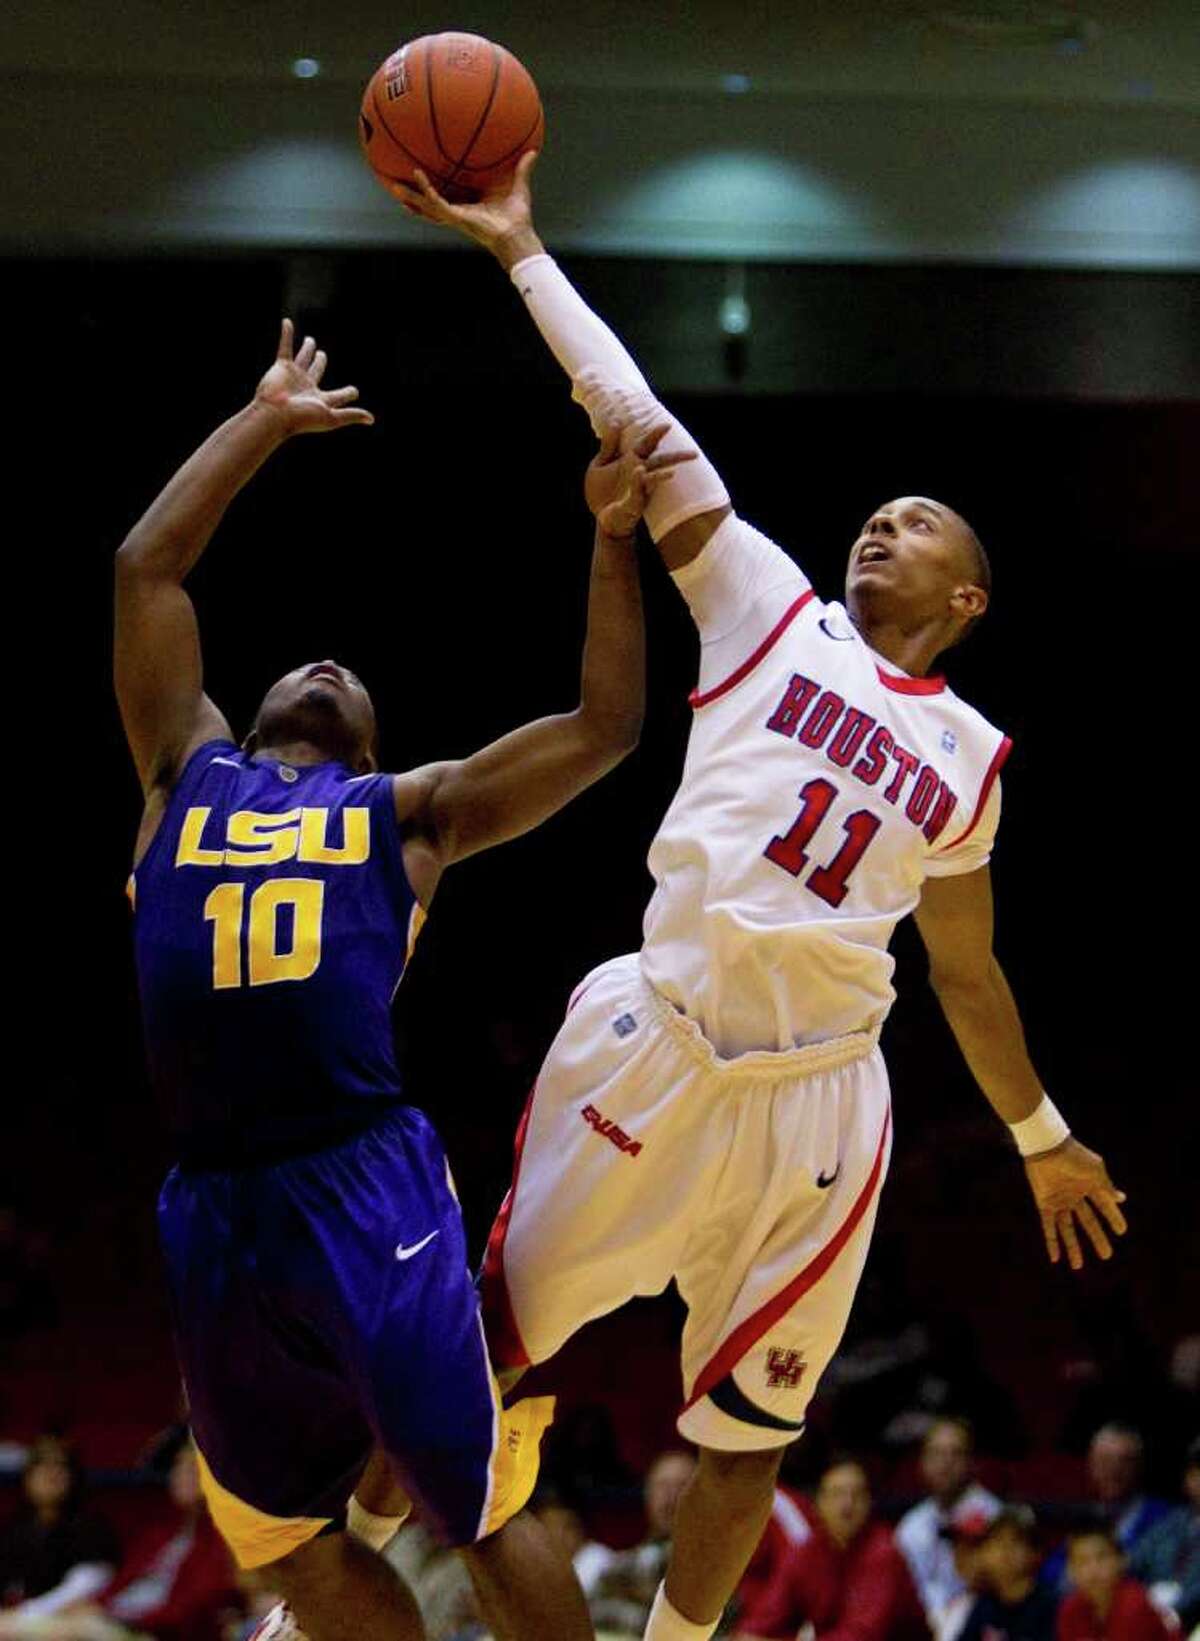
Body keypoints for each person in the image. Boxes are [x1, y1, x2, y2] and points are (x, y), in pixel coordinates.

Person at [391, 155, 1129, 1641]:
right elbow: (638, 417)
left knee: (752, 1436)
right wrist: (523, 251)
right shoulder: (766, 606)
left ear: (969, 596)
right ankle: (316, 1607)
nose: (883, 526)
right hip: (657, 1042)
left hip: (821, 1098)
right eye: (878, 511)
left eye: (918, 522)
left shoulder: (973, 760)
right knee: (475, 1354)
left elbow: (969, 975)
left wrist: (1041, 1136)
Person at [114, 318, 687, 1641]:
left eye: (353, 680)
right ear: (243, 711)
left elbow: (605, 727)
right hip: (215, 1205)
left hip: (360, 1180)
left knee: (473, 1501)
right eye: (308, 664)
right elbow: (148, 565)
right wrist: (263, 418)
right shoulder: (178, 775)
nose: (328, 664)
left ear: (372, 740)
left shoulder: (405, 815)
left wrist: (610, 534)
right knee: (280, 1542)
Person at [0, 1444, 239, 1641]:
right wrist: (98, 1606)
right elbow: (120, 1582)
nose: (181, 1475)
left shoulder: (222, 1541)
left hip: (149, 1630)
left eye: (192, 1468)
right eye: (178, 1466)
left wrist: (118, 1616)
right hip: (114, 1620)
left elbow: (193, 1609)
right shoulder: (160, 1532)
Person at [736, 1458, 928, 1640]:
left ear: (870, 1503)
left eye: (857, 1495)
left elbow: (862, 1636)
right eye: (837, 1494)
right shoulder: (807, 1551)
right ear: (818, 1504)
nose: (847, 1505)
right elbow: (761, 1621)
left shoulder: (883, 1553)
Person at [895, 1419, 1001, 1630]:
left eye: (956, 1453)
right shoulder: (910, 1526)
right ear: (922, 1462)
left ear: (972, 1462)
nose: (945, 1463)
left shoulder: (995, 1519)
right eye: (936, 1453)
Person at [0, 1439, 119, 1618]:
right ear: (27, 1478)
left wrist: (26, 1615)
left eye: (61, 1466)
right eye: (42, 1465)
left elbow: (90, 1582)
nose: (51, 1473)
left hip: (67, 1622)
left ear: (73, 1477)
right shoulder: (14, 1529)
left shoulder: (92, 1528)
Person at [1130, 1437, 1200, 1632]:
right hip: (1150, 1612)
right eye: (1197, 1474)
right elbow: (1133, 1562)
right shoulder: (1170, 1522)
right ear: (1187, 1479)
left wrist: (1177, 1612)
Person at [957, 1509, 1056, 1641]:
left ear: (1035, 1553)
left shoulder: (1050, 1606)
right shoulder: (984, 1604)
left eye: (1014, 1542)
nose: (1004, 1551)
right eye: (997, 1542)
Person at [1057, 1528, 1171, 1641]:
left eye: (1101, 1557)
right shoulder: (1070, 1610)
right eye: (1082, 1561)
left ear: (1122, 1560)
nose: (1093, 1569)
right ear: (1070, 1570)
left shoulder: (1135, 1605)